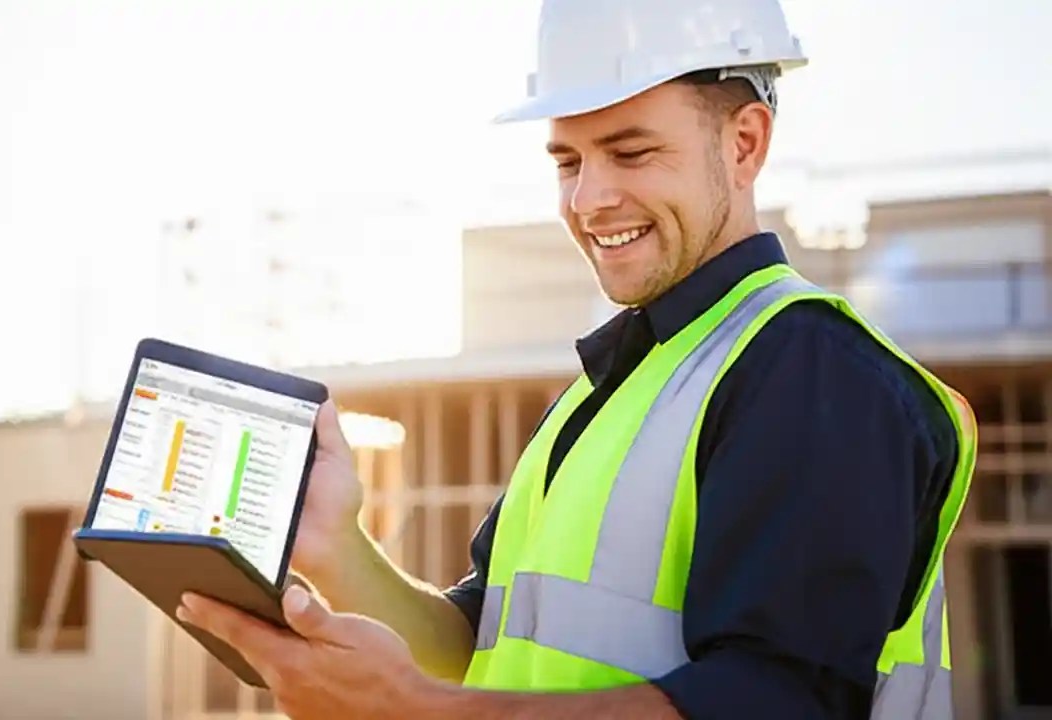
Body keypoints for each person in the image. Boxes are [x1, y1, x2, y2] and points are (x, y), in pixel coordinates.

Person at [177, 0, 977, 717]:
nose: (588, 199)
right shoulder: (614, 390)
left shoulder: (814, 373)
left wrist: (414, 711)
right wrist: (337, 546)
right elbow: (475, 644)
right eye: (568, 161)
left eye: (631, 153)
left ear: (743, 143)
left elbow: (774, 699)